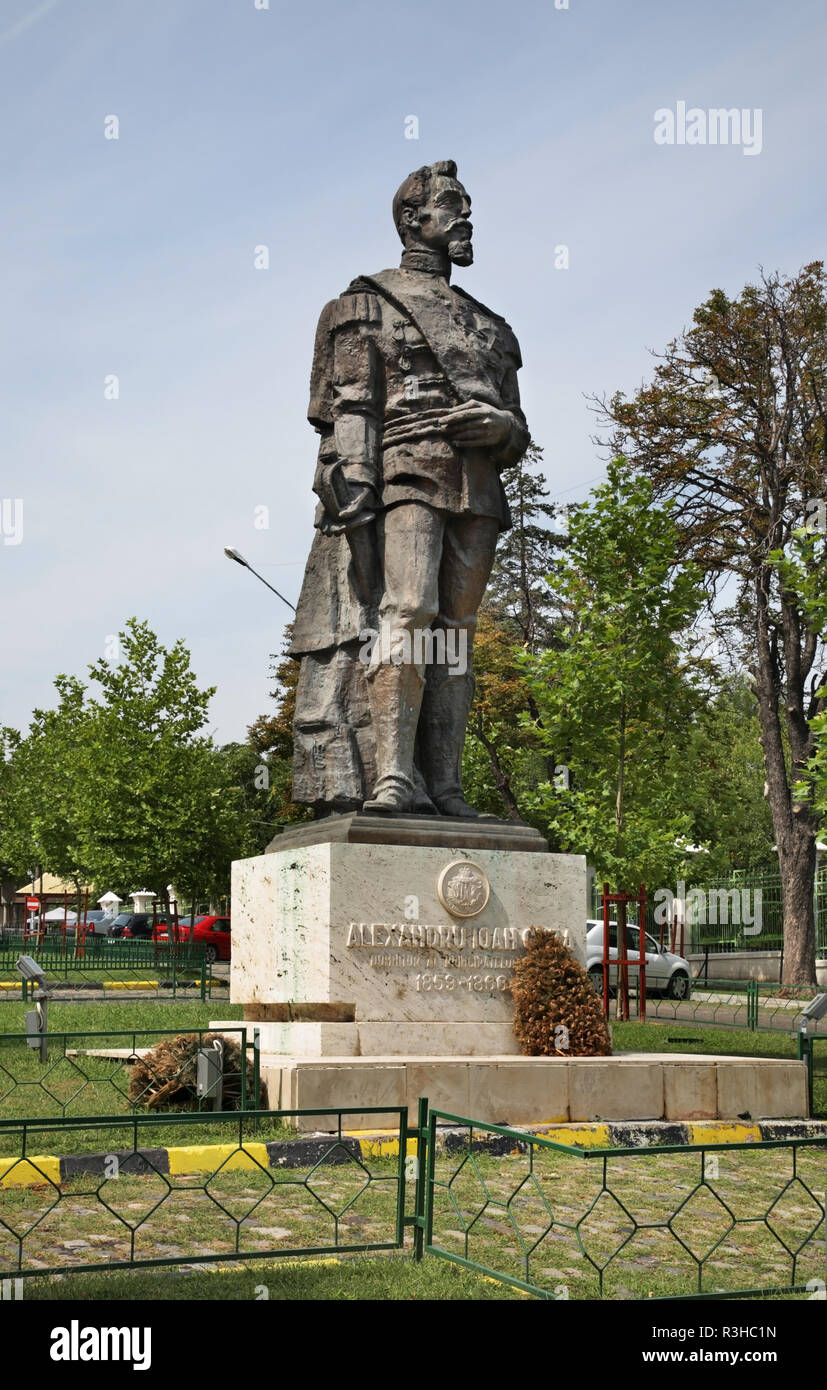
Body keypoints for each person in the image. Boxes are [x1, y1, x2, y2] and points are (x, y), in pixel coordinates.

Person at [291, 159, 529, 817]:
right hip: (405, 471)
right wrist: (356, 487)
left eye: (466, 205)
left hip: (476, 487)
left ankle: (445, 786)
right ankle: (392, 778)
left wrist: (499, 427)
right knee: (408, 610)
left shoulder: (491, 326)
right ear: (411, 218)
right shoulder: (366, 302)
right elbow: (352, 407)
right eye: (452, 204)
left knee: (456, 629)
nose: (465, 216)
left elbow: (518, 429)